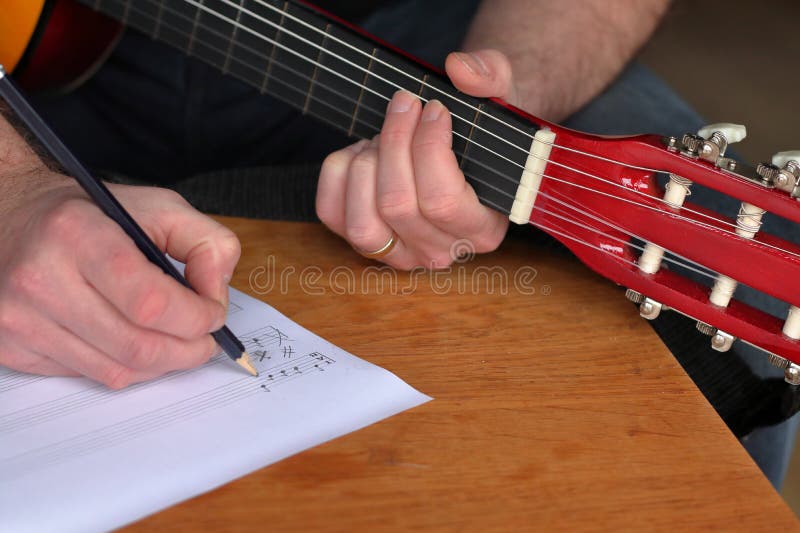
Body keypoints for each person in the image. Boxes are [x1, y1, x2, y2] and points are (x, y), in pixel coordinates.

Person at [0, 0, 796, 487]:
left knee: (734, 319)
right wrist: (11, 192)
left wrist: (509, 94)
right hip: (30, 89)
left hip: (413, 50)